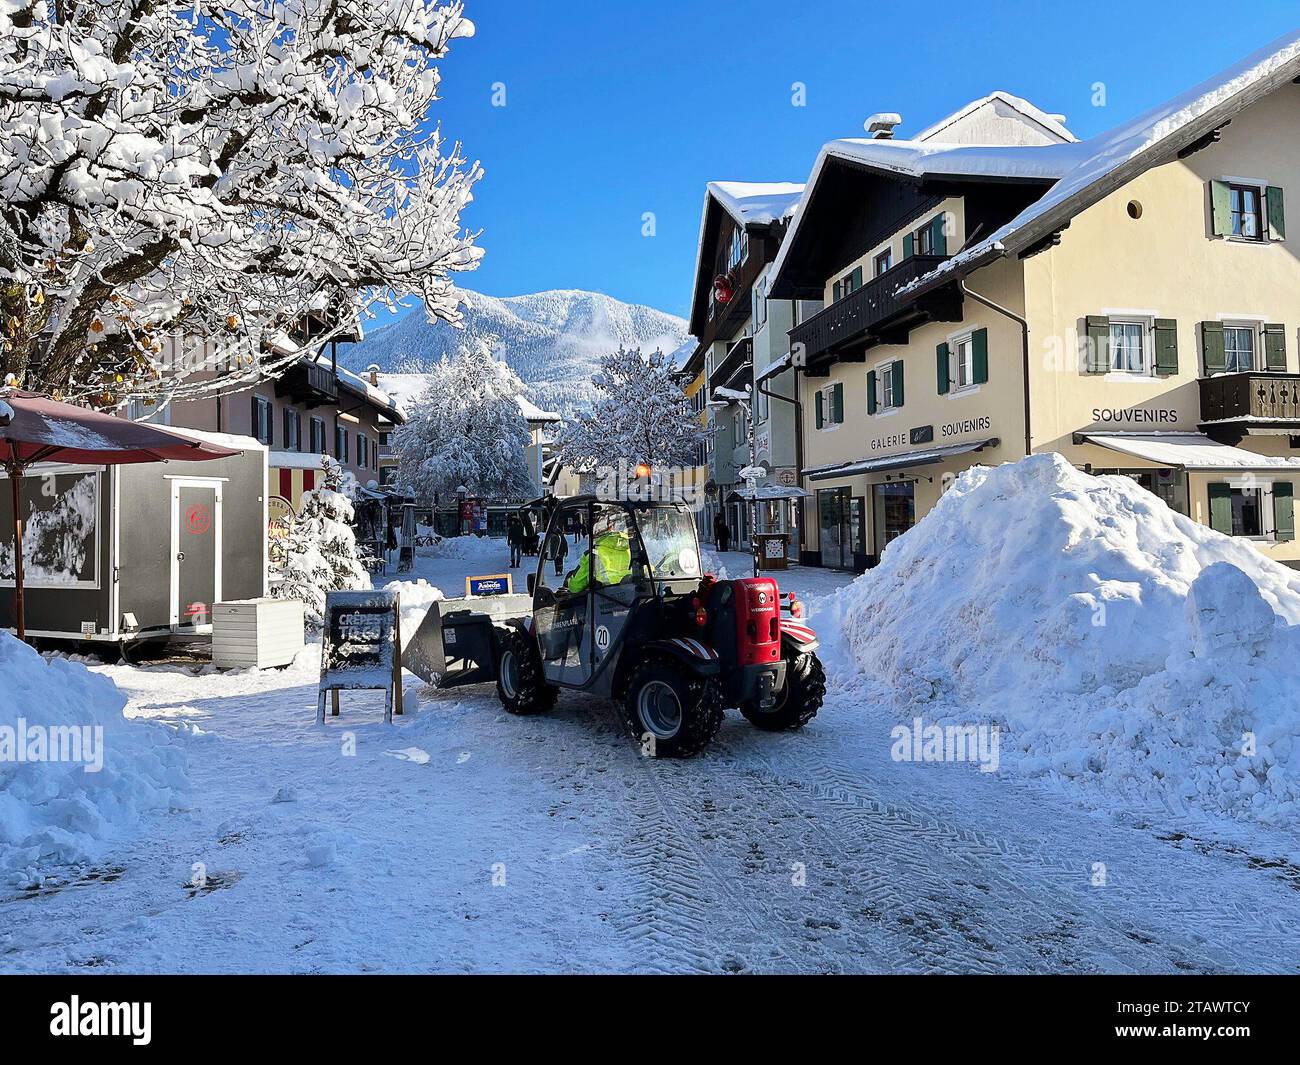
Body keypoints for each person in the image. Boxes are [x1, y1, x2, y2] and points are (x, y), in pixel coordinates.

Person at [564, 519, 633, 595]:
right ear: (611, 528)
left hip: (605, 600)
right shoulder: (633, 548)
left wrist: (569, 581)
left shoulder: (593, 553)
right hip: (632, 598)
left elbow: (575, 587)